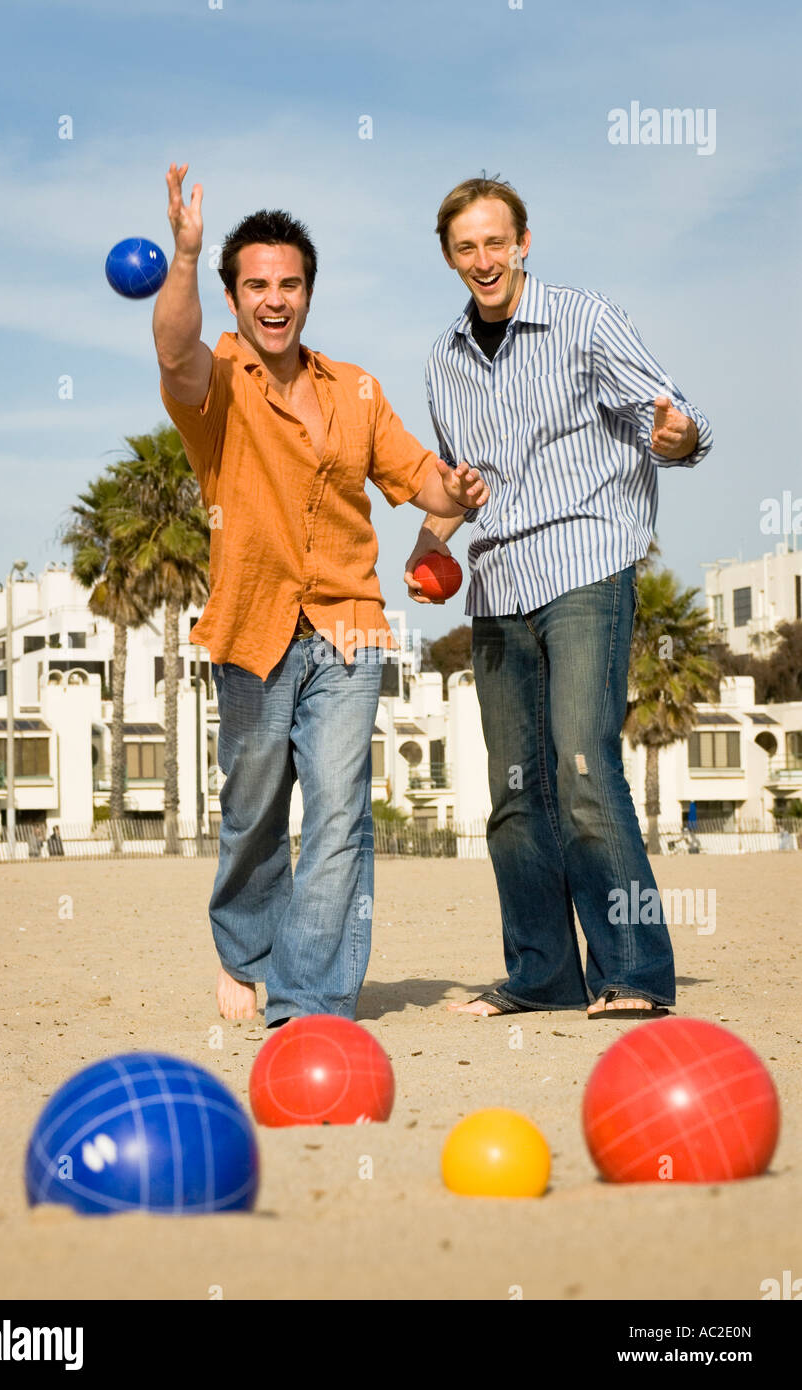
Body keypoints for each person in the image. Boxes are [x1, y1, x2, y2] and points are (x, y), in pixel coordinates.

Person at [154, 163, 489, 1027]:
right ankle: (244, 948)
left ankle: (307, 999)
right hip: (252, 623)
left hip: (349, 628)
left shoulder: (358, 391)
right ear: (234, 298)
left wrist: (458, 488)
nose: (275, 300)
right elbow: (171, 348)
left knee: (341, 811)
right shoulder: (216, 382)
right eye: (256, 286)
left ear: (309, 293)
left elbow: (426, 486)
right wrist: (185, 258)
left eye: (289, 284)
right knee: (254, 806)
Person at [404, 176, 713, 1021]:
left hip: (586, 562)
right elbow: (458, 487)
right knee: (512, 792)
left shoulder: (584, 318)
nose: (484, 260)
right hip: (498, 584)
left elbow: (674, 414)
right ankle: (542, 972)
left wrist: (679, 437)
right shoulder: (444, 360)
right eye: (466, 247)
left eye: (495, 242)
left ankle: (635, 970)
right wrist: (430, 542)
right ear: (449, 257)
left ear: (524, 241)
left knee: (582, 764)